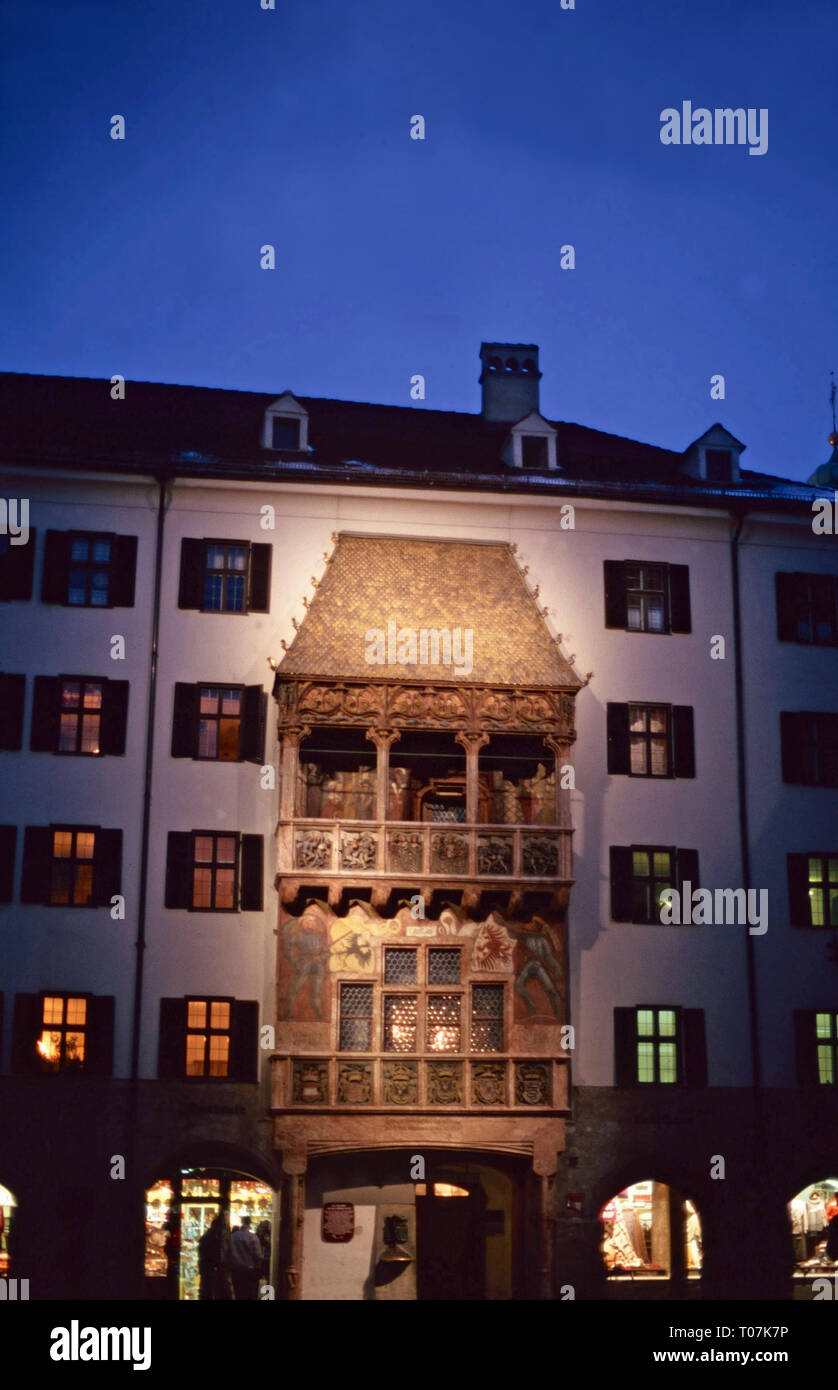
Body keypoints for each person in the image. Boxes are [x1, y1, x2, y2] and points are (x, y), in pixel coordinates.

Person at [198, 1213, 232, 1301]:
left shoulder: (209, 1235)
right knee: (208, 1288)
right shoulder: (212, 1237)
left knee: (207, 1288)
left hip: (207, 1267)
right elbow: (212, 1253)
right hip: (209, 1267)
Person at [229, 1215, 262, 1300]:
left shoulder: (233, 1237)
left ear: (242, 1223)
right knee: (250, 1295)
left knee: (238, 1294)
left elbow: (228, 1253)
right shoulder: (253, 1237)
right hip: (249, 1271)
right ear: (250, 1223)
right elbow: (257, 1255)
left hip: (236, 1270)